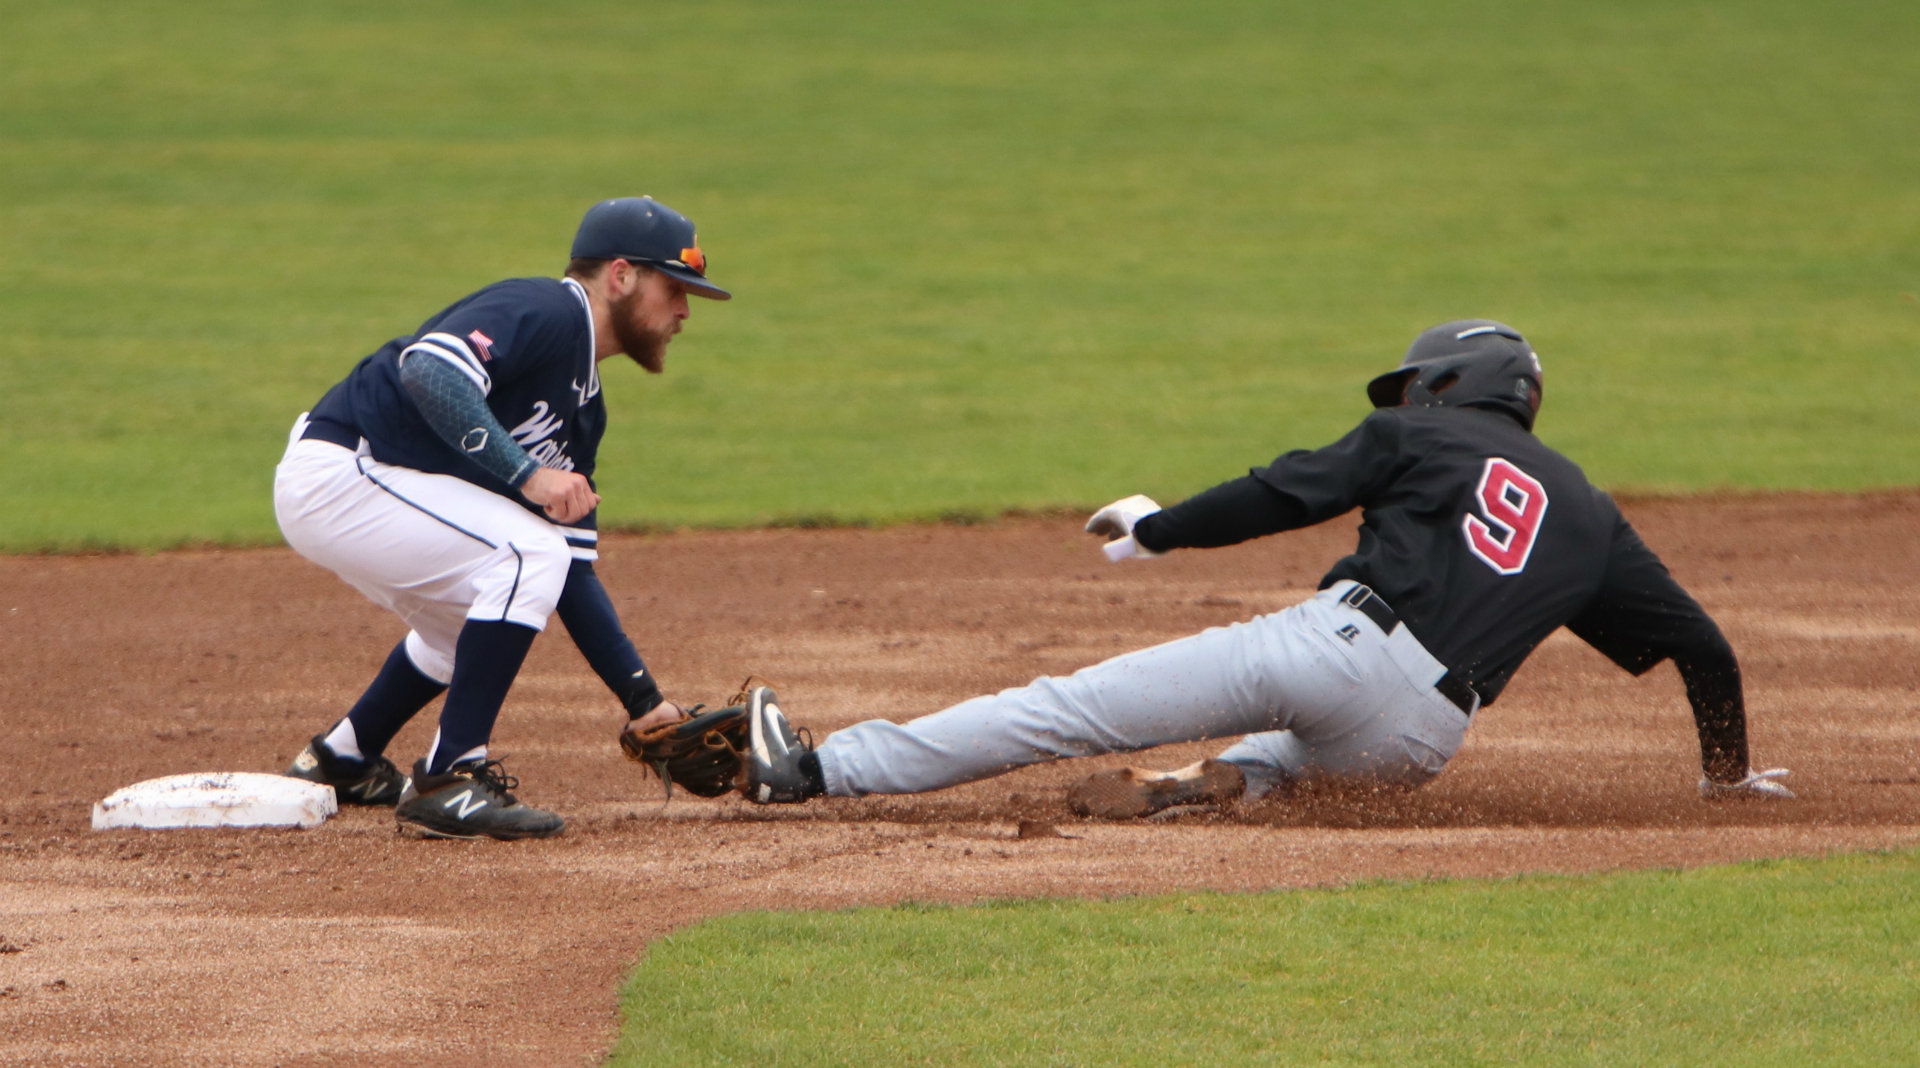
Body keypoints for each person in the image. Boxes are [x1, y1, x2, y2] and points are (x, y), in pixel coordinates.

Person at [736, 320, 1793, 816]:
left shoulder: (1422, 440)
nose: (1403, 404)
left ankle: (817, 772)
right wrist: (1726, 776)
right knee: (1290, 755)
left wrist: (1159, 530)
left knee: (1071, 706)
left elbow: (1282, 492)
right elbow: (1702, 650)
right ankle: (1218, 783)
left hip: (1338, 651)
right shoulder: (1592, 514)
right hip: (1420, 741)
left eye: (1414, 386)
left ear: (1450, 383)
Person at [276, 197, 730, 839]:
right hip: (342, 469)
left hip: (370, 487)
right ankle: (449, 776)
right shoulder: (545, 308)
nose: (685, 311)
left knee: (479, 616)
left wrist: (645, 703)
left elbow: (572, 571)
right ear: (621, 276)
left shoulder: (583, 409)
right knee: (524, 556)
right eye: (675, 287)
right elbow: (428, 369)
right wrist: (526, 474)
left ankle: (344, 757)